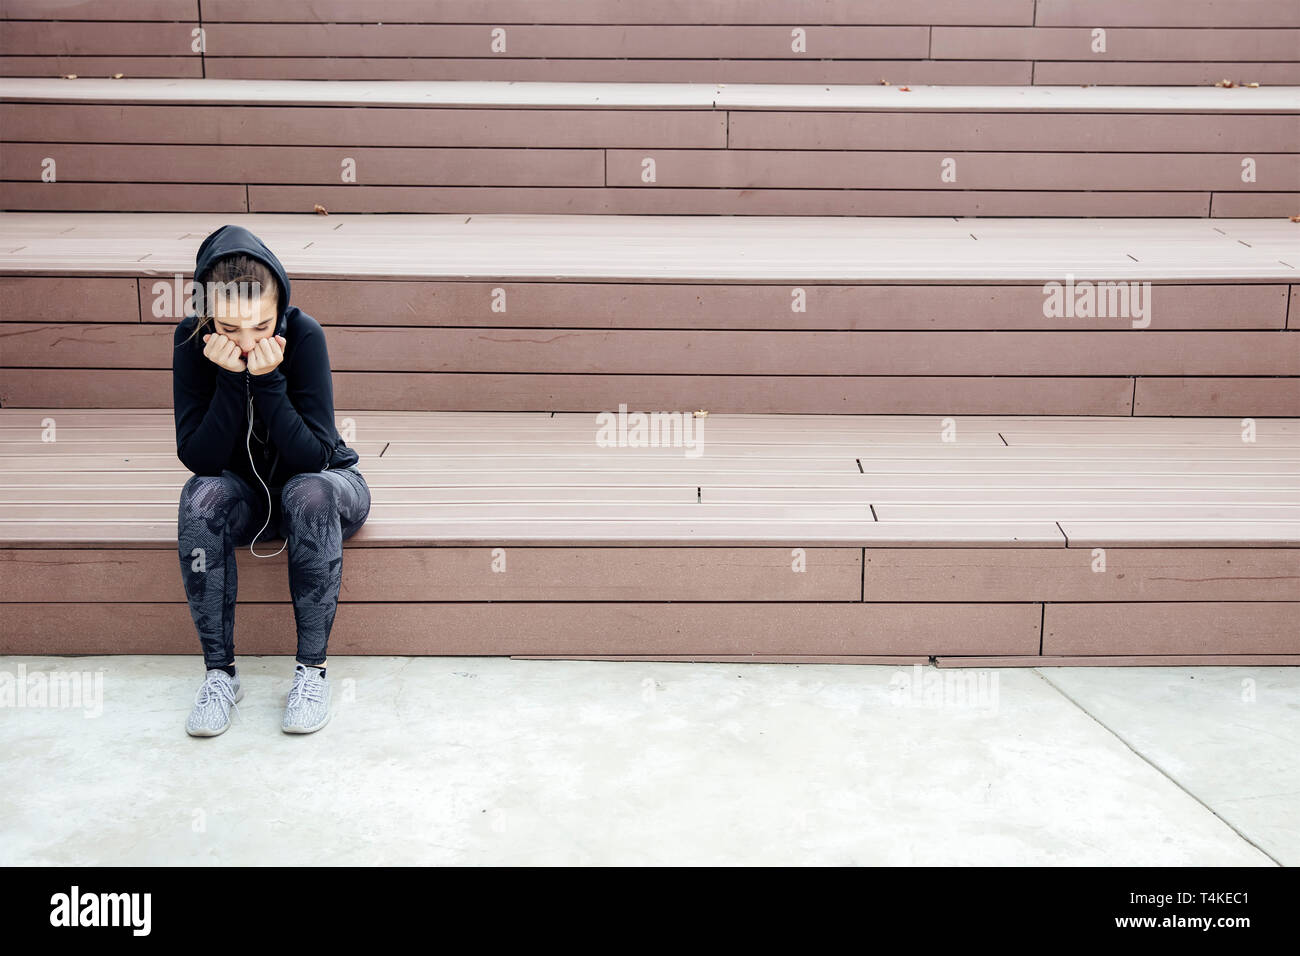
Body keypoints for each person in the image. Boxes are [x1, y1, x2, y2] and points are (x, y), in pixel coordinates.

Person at [172, 225, 370, 737]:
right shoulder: (192, 342)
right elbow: (200, 458)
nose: (246, 342)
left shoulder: (303, 335)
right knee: (199, 498)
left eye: (261, 326)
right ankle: (220, 675)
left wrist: (268, 379)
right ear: (207, 314)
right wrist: (229, 381)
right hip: (245, 494)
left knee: (308, 491)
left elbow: (314, 454)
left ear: (279, 303)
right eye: (231, 328)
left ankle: (311, 672)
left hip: (327, 483)